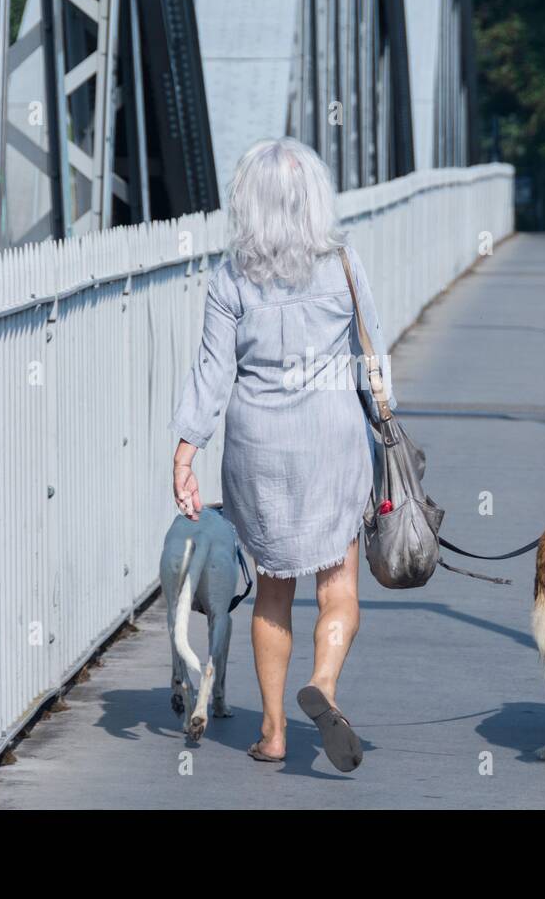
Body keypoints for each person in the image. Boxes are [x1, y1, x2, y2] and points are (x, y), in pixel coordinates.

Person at [168, 137, 394, 772]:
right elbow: (372, 358)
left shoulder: (230, 276)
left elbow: (212, 376)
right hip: (333, 439)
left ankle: (273, 732)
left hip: (259, 447)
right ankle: (322, 683)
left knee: (273, 591)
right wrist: (386, 434)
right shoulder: (343, 263)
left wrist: (185, 454)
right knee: (339, 586)